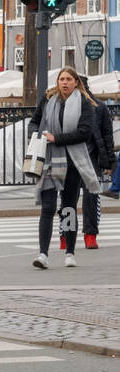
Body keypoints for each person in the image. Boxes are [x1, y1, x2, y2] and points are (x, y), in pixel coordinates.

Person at [29, 66, 108, 268]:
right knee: (47, 208)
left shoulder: (84, 103)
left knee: (69, 208)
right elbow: (34, 122)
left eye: (68, 79)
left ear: (76, 83)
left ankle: (70, 252)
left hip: (72, 161)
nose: (64, 83)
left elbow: (84, 132)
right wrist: (37, 135)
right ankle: (43, 254)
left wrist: (57, 138)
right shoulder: (48, 100)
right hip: (49, 160)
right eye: (61, 79)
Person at [80, 73, 113, 248]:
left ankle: (90, 234)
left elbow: (107, 135)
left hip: (91, 155)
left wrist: (108, 161)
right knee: (64, 196)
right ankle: (65, 234)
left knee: (91, 195)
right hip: (68, 153)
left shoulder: (99, 107)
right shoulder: (60, 105)